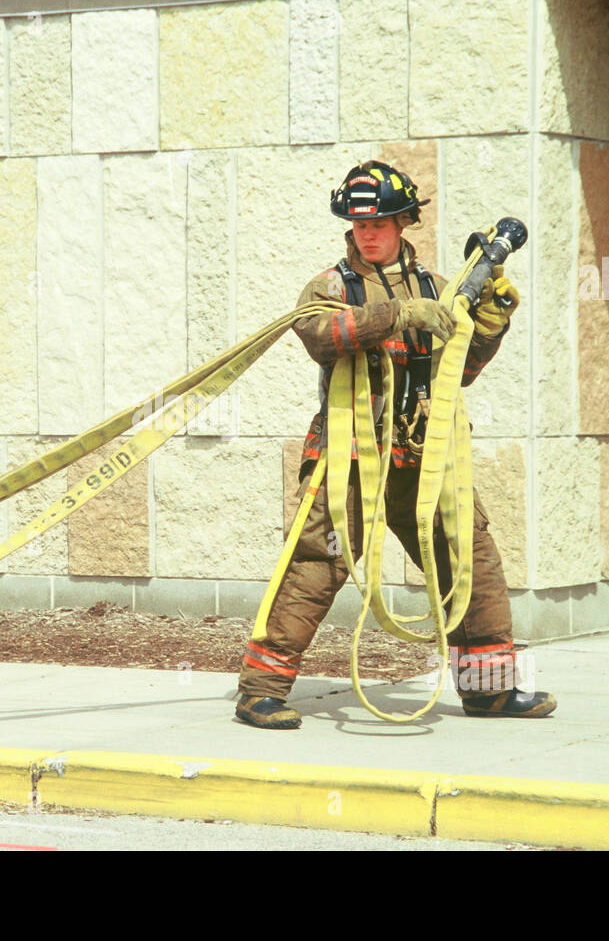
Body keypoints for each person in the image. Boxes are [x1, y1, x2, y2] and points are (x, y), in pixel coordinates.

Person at [235, 160, 557, 729]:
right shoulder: (330, 285)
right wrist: (396, 314)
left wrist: (488, 322)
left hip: (424, 455)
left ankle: (489, 692)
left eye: (381, 221)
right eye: (360, 224)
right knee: (317, 565)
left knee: (470, 559)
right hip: (350, 455)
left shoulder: (438, 286)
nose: (369, 232)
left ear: (404, 221)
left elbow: (462, 370)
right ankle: (261, 691)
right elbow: (321, 335)